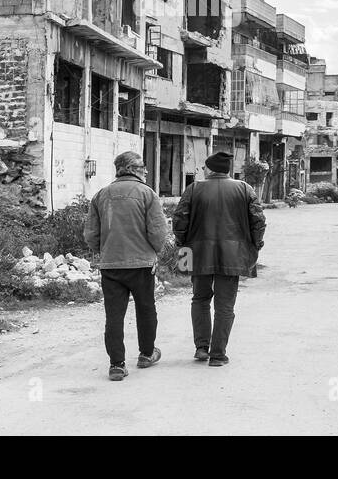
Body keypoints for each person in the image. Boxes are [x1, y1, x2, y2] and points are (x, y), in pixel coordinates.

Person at [172, 151, 266, 367]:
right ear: (227, 170)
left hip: (198, 253)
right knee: (225, 306)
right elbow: (258, 221)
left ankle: (201, 348)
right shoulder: (244, 188)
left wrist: (182, 243)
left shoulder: (194, 188)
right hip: (233, 255)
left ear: (210, 169)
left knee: (200, 299)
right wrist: (255, 245)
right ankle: (218, 355)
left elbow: (179, 219)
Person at [84, 151, 168, 381]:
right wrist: (154, 251)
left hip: (111, 265)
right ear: (133, 169)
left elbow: (91, 235)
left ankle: (116, 365)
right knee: (146, 308)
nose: (146, 171)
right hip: (141, 264)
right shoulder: (147, 193)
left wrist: (104, 249)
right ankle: (146, 354)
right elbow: (158, 232)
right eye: (142, 166)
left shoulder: (101, 195)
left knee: (114, 316)